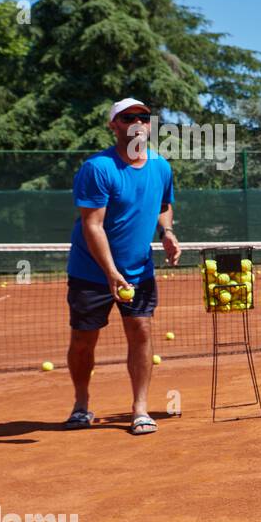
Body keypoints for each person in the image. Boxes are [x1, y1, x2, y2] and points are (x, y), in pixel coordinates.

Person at [65, 98, 179, 435]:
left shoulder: (161, 166)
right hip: (91, 272)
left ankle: (140, 409)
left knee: (141, 332)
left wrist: (168, 231)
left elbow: (163, 204)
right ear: (113, 125)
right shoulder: (98, 168)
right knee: (84, 340)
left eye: (144, 117)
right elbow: (93, 225)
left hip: (139, 270)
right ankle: (82, 404)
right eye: (129, 117)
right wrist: (110, 272)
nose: (138, 122)